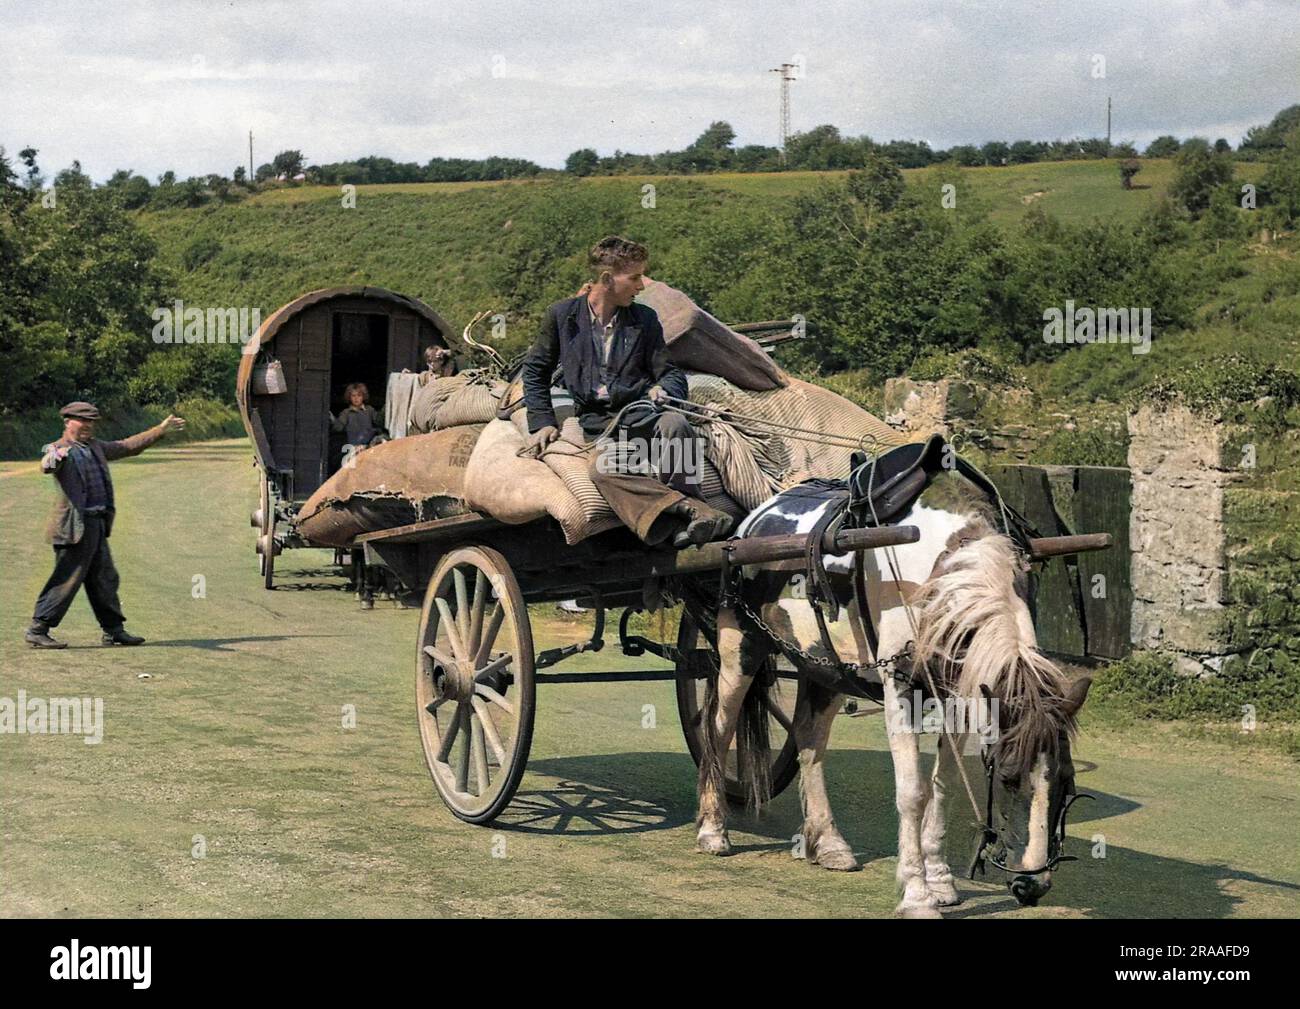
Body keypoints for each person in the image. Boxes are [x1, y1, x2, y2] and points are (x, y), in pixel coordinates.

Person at [521, 236, 731, 547]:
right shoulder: (562, 317)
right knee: (602, 472)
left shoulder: (644, 320)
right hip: (602, 426)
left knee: (677, 425)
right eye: (634, 277)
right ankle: (688, 511)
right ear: (607, 279)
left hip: (645, 413)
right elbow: (536, 370)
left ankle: (693, 508)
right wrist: (543, 422)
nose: (642, 285)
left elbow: (670, 373)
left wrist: (663, 388)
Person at [25, 402, 186, 649]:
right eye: (83, 421)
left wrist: (160, 429)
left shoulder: (96, 447)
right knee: (66, 579)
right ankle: (38, 629)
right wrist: (54, 457)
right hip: (73, 529)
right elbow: (48, 463)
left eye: (92, 421)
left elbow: (128, 446)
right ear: (68, 422)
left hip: (96, 524)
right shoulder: (60, 449)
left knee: (104, 579)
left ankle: (113, 631)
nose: (89, 426)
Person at [329, 383, 387, 463]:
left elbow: (379, 421)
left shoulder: (369, 410)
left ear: (363, 397)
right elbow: (338, 427)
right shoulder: (346, 413)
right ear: (349, 397)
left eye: (359, 395)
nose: (356, 398)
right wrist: (332, 418)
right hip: (352, 449)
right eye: (353, 396)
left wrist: (386, 407)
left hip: (369, 448)